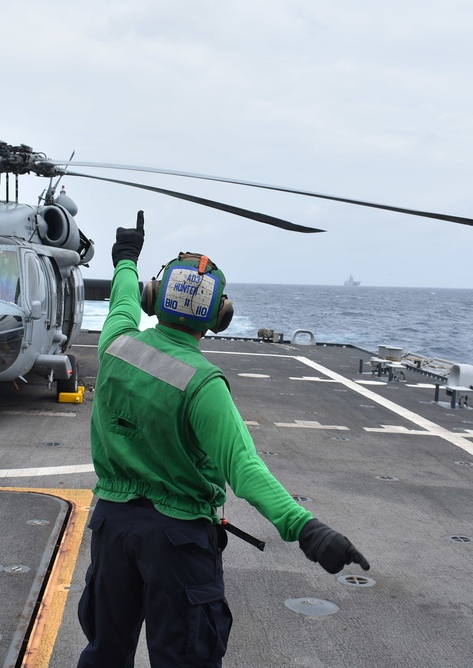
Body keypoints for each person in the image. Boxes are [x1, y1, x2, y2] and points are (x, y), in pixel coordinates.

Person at [77, 211, 369, 668]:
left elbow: (122, 300)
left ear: (154, 299)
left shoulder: (115, 344)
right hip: (178, 544)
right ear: (219, 318)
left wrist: (127, 257)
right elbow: (244, 469)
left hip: (113, 528)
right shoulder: (203, 383)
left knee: (105, 653)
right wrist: (306, 529)